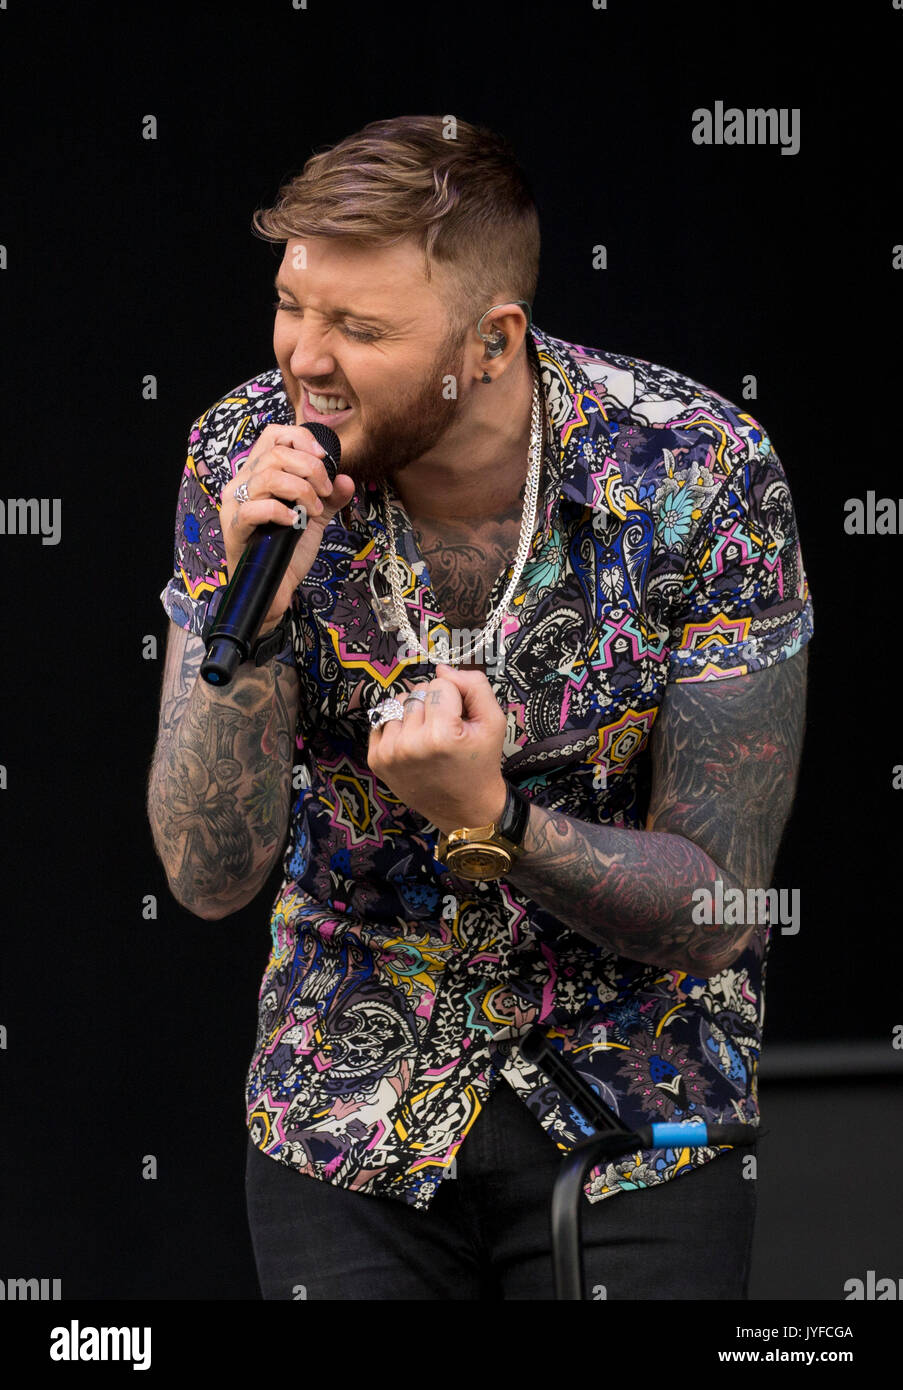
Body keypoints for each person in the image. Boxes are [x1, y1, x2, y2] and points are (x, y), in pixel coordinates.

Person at [146, 114, 812, 1301]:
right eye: (297, 306)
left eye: (361, 327)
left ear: (491, 342)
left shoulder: (697, 468)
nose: (306, 356)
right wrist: (240, 619)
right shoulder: (239, 460)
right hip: (345, 1126)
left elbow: (724, 901)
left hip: (635, 1120)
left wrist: (497, 822)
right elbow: (206, 872)